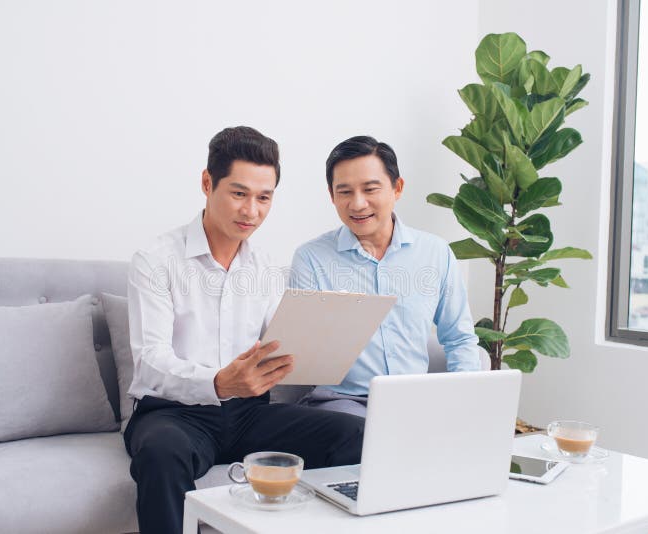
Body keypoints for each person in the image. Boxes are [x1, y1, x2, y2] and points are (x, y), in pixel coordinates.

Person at [124, 126, 365, 534]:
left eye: (264, 198)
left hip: (250, 414)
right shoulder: (155, 260)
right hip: (174, 414)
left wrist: (323, 336)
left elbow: (281, 343)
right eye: (239, 194)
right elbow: (150, 363)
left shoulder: (268, 267)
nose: (251, 211)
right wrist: (218, 382)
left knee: (356, 435)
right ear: (207, 183)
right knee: (160, 455)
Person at [289, 135, 481, 417]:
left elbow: (459, 338)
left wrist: (462, 399)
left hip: (416, 401)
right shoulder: (311, 258)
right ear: (332, 196)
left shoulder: (436, 253)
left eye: (370, 189)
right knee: (358, 433)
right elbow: (302, 354)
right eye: (344, 192)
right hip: (344, 404)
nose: (357, 204)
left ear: (397, 188)